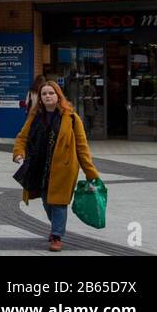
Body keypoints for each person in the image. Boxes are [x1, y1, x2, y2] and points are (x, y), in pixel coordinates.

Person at [12, 79, 100, 252]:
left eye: (51, 93)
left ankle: (57, 236)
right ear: (40, 97)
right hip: (40, 166)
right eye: (44, 94)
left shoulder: (72, 118)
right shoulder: (35, 116)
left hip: (63, 168)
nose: (47, 96)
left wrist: (92, 175)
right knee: (46, 201)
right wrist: (18, 153)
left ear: (58, 96)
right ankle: (57, 228)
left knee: (58, 203)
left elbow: (82, 148)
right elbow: (22, 137)